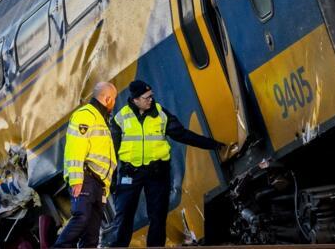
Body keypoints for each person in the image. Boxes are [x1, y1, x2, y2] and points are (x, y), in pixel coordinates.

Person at [107, 80, 225, 248]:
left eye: (151, 96)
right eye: (146, 97)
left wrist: (211, 144)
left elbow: (182, 134)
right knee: (124, 214)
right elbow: (111, 152)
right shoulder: (120, 119)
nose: (150, 100)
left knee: (158, 216)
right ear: (135, 100)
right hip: (130, 174)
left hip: (157, 173)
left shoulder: (161, 114)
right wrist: (110, 181)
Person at [53, 82, 119, 248]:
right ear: (108, 98)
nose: (114, 103)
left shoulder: (100, 119)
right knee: (81, 217)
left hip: (98, 185)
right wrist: (76, 178)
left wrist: (105, 187)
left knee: (91, 233)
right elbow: (76, 147)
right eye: (114, 99)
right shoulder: (86, 115)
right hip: (86, 179)